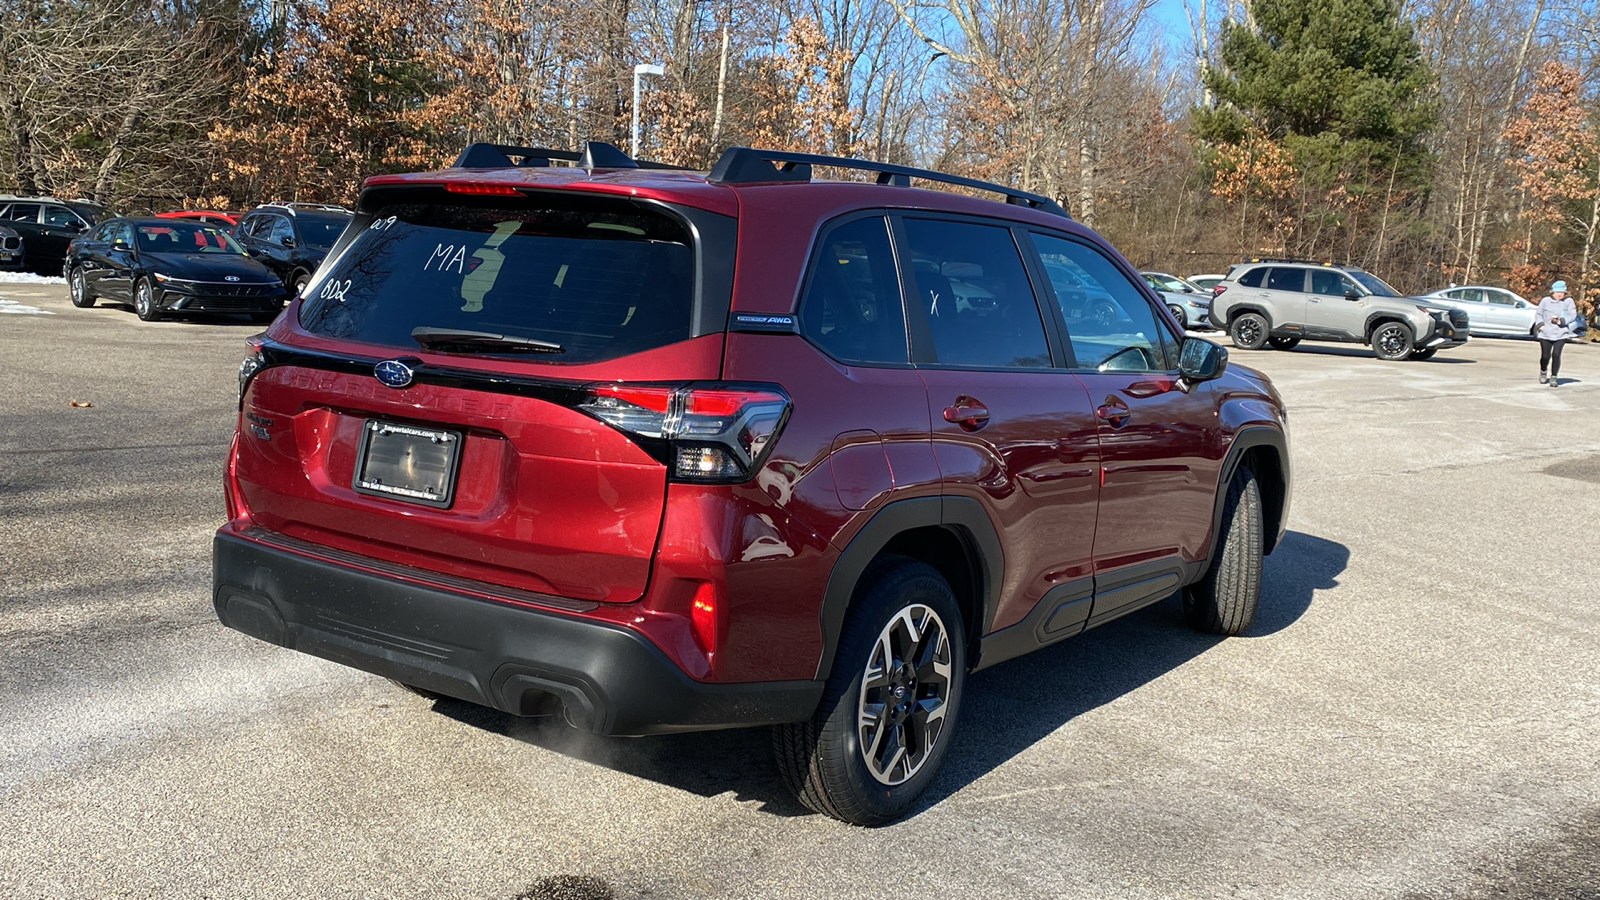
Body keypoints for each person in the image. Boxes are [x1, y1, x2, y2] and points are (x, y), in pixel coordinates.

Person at [1535, 280, 1580, 387]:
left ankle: (1554, 377)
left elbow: (1572, 315)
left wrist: (1561, 321)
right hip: (1546, 333)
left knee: (1556, 354)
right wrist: (1541, 326)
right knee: (1545, 356)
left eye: (1562, 292)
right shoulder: (1545, 301)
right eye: (1557, 292)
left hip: (1561, 333)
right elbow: (1538, 314)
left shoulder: (1569, 301)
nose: (1559, 295)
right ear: (1552, 292)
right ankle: (1543, 370)